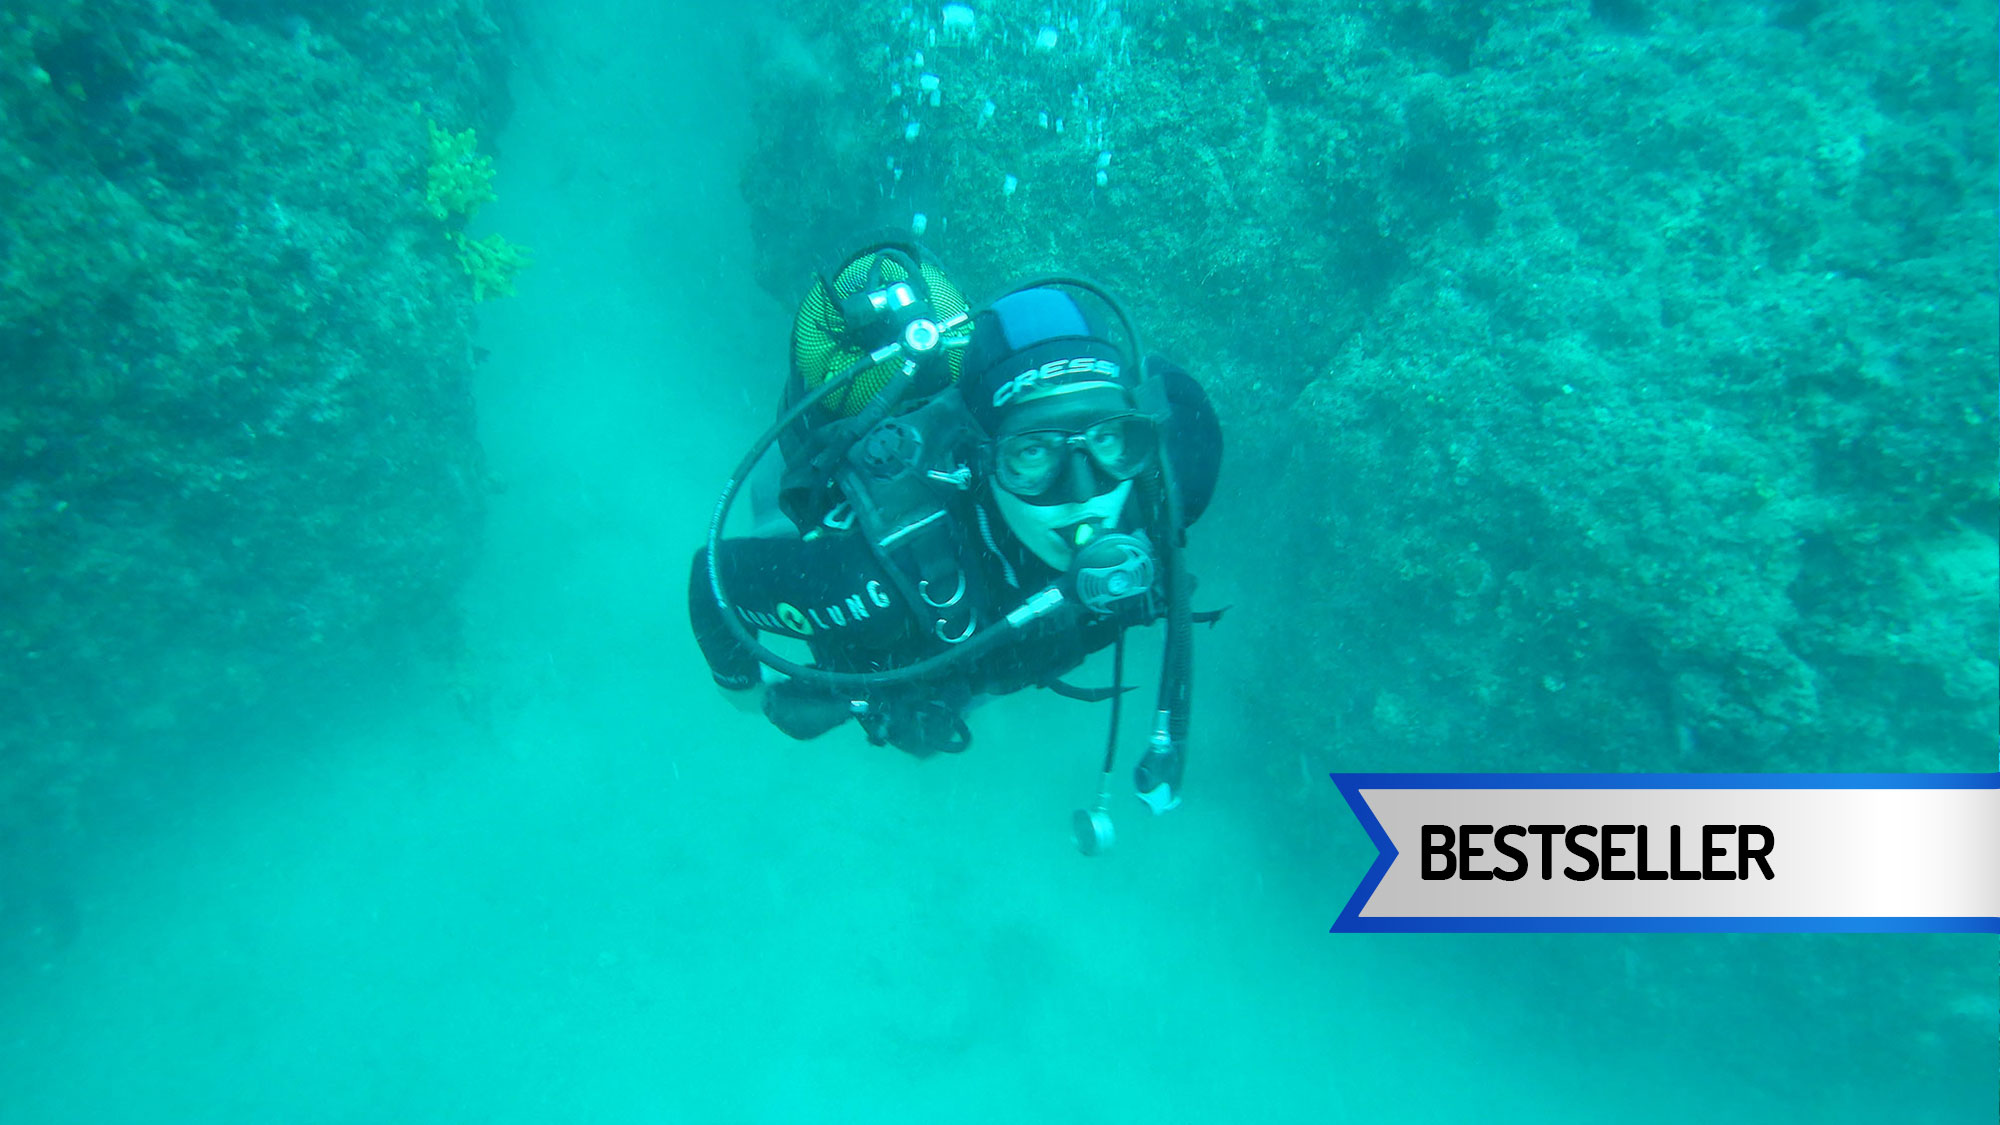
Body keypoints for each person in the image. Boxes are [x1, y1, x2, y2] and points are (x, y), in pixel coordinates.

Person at [688, 242, 1221, 818]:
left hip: (975, 644)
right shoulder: (875, 582)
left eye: (1110, 439)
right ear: (983, 460)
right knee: (785, 512)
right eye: (1033, 454)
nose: (1084, 494)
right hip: (868, 550)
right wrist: (741, 691)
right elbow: (714, 583)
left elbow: (1170, 389)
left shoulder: (1169, 480)